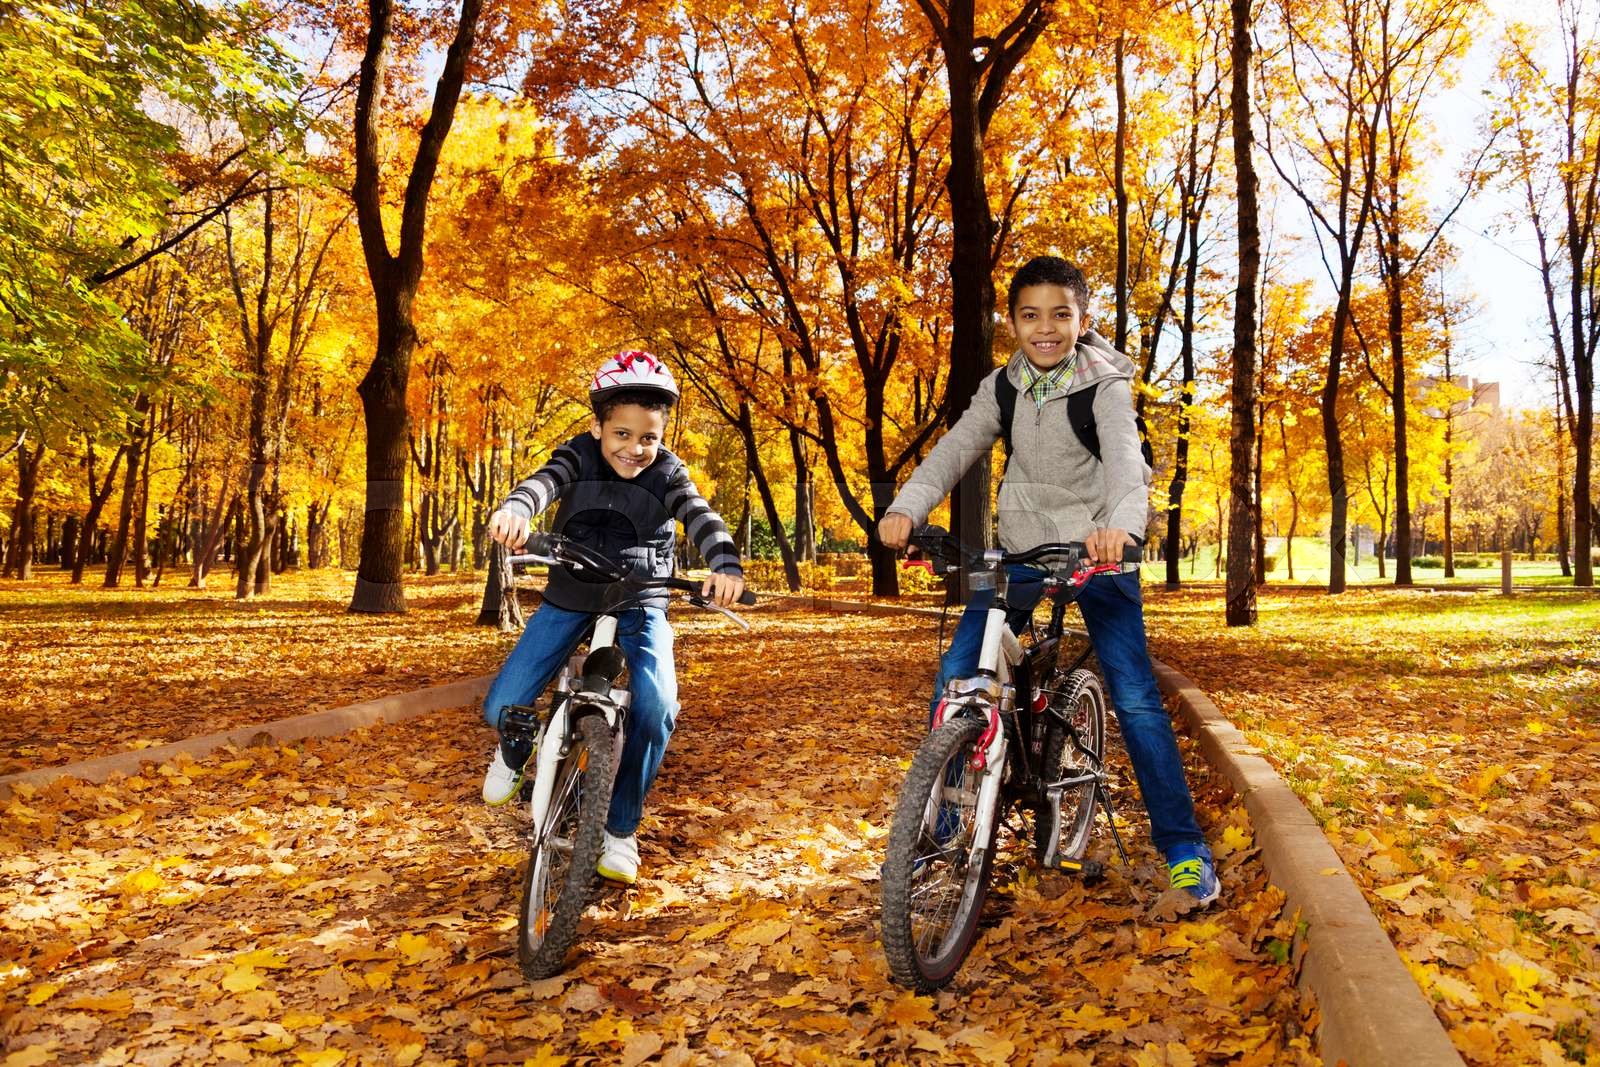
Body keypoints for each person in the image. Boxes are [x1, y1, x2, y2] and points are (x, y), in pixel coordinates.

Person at [877, 255, 1220, 906]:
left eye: (1061, 314)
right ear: (1011, 322)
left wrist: (1120, 528)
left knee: (1137, 696)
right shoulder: (1003, 386)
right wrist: (906, 507)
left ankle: (1184, 850)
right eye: (1030, 315)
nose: (1045, 328)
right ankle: (939, 839)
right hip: (1020, 551)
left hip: (1098, 550)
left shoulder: (1104, 385)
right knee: (959, 674)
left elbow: (1125, 465)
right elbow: (954, 449)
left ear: (1082, 319)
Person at [480, 350, 746, 885]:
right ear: (599, 425)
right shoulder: (576, 456)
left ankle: (620, 829)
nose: (635, 448)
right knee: (500, 705)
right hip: (572, 590)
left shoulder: (668, 473)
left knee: (656, 705)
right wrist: (515, 511)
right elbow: (541, 484)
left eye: (648, 437)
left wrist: (725, 564)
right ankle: (515, 748)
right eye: (621, 434)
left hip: (639, 596)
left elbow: (700, 515)